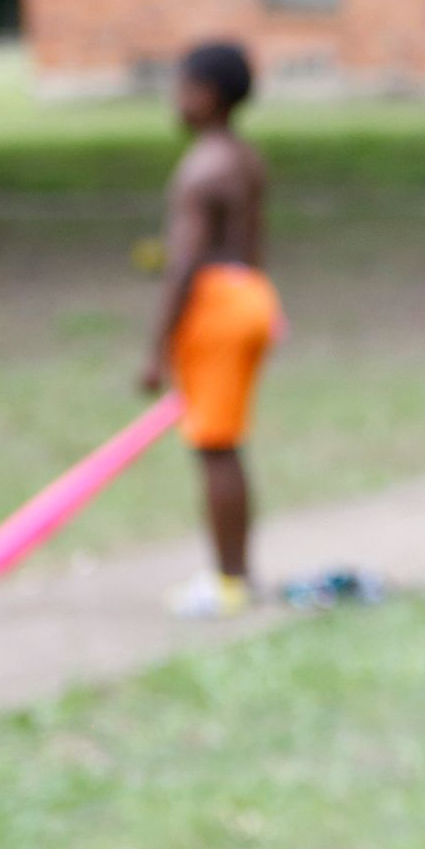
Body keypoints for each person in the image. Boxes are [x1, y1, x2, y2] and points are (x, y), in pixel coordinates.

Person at [138, 41, 279, 620]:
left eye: (182, 87)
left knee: (215, 447)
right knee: (225, 444)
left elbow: (184, 264)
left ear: (208, 95)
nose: (175, 100)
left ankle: (229, 581)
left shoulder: (202, 167)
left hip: (215, 306)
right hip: (250, 293)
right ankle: (234, 573)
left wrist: (157, 346)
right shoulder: (244, 157)